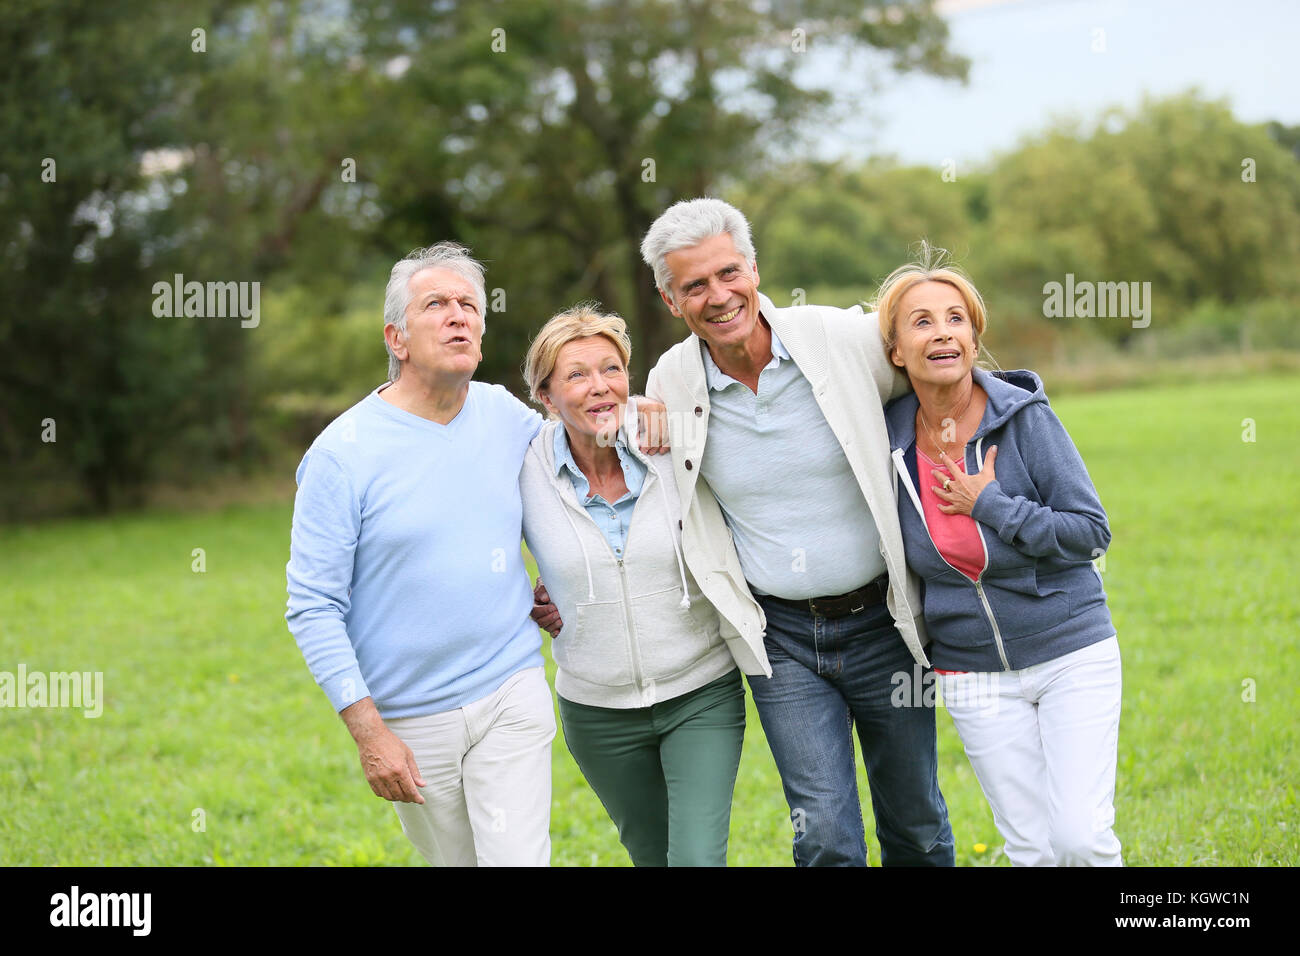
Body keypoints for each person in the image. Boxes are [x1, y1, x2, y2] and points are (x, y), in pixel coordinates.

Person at [637, 198, 955, 866]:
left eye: (729, 273)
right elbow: (626, 465)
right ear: (672, 301)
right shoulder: (671, 380)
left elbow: (941, 367)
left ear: (753, 268)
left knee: (917, 824)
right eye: (695, 285)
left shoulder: (842, 339)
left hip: (884, 625)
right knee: (826, 835)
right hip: (781, 640)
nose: (719, 296)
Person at [285, 242, 556, 866]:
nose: (459, 315)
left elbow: (576, 476)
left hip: (510, 686)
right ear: (397, 339)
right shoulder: (340, 455)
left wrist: (637, 414)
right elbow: (312, 606)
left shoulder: (503, 414)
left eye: (470, 306)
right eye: (437, 304)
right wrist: (370, 732)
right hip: (410, 719)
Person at [875, 247, 1122, 866]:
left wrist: (994, 506)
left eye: (956, 318)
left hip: (1070, 650)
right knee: (1031, 849)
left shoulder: (1025, 419)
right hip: (972, 672)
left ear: (974, 335)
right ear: (896, 351)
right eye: (922, 322)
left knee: (1079, 839)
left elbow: (1090, 531)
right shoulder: (887, 439)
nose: (943, 333)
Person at [519, 304, 768, 867]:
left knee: (697, 859)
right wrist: (528, 593)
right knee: (651, 856)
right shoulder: (522, 467)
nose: (600, 387)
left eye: (612, 370)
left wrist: (652, 408)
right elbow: (470, 548)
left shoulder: (671, 440)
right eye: (576, 375)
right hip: (597, 711)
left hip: (700, 692)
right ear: (545, 397)